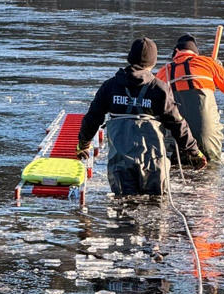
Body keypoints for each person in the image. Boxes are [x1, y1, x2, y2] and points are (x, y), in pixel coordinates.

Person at [76, 37, 206, 196]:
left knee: (123, 210)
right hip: (154, 163)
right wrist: (194, 152)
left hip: (120, 163)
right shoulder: (160, 89)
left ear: (130, 58)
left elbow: (92, 118)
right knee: (156, 209)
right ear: (153, 62)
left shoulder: (110, 86)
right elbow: (177, 124)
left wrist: (83, 143)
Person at [155, 33, 224, 161]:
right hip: (208, 140)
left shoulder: (163, 72)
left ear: (176, 52)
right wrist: (221, 70)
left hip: (178, 142)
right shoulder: (208, 63)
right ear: (195, 53)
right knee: (211, 173)